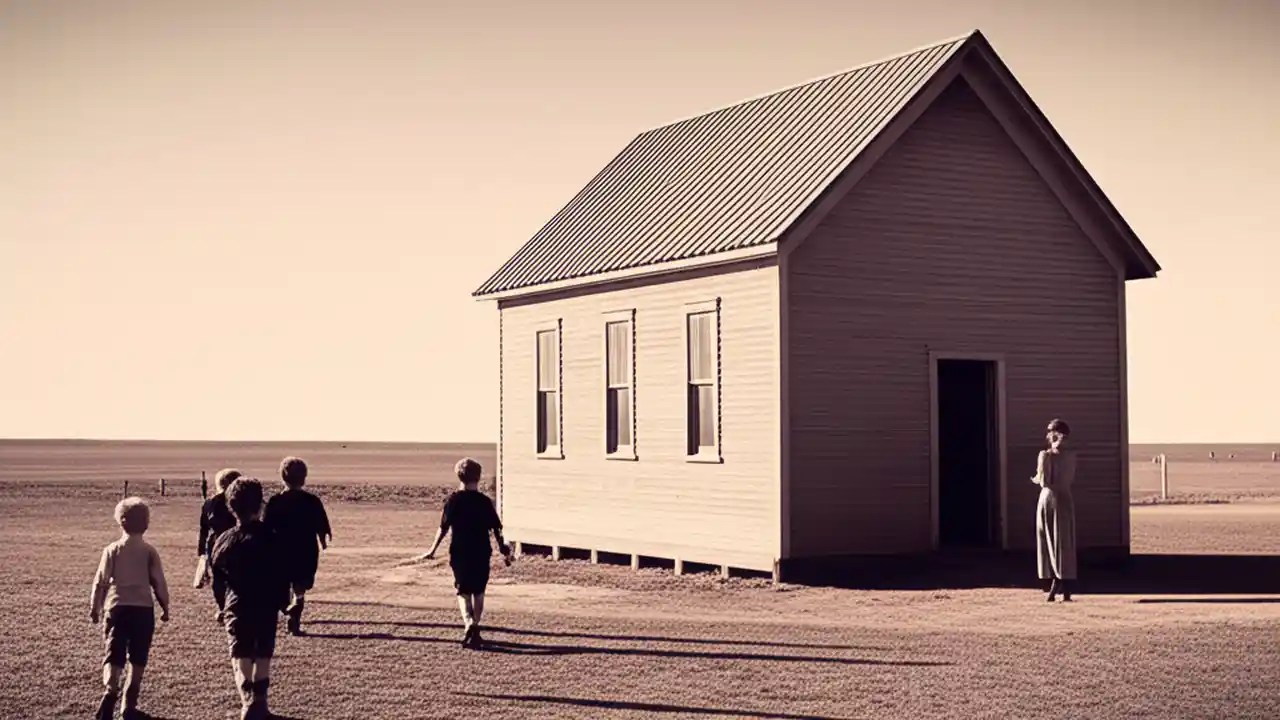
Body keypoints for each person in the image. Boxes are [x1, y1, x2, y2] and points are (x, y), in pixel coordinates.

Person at [211, 478, 291, 720]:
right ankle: (260, 702)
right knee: (264, 652)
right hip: (266, 605)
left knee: (240, 654)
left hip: (236, 604)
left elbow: (218, 578)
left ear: (231, 508)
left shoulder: (225, 540)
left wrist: (221, 606)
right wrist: (283, 601)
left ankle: (246, 702)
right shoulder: (273, 537)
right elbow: (282, 574)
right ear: (260, 505)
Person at [415, 457, 511, 648]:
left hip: (459, 551)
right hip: (481, 551)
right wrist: (504, 551)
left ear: (459, 476)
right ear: (479, 477)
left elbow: (443, 527)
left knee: (463, 590)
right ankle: (475, 625)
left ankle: (467, 623)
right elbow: (497, 529)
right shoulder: (485, 502)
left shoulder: (453, 500)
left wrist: (432, 550)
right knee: (479, 591)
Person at [90, 497, 171, 720]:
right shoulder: (149, 551)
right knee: (138, 658)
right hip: (143, 609)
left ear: (120, 522)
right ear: (146, 523)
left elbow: (101, 581)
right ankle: (128, 706)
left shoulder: (112, 550)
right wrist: (165, 606)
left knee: (113, 654)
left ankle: (110, 691)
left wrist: (95, 607)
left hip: (117, 608)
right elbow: (158, 582)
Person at [263, 456, 332, 636]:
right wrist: (323, 539)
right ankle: (295, 614)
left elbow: (266, 526)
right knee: (300, 586)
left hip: (280, 550)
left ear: (282, 477)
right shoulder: (311, 500)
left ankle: (287, 609)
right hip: (305, 549)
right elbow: (321, 524)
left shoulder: (275, 501)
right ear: (304, 477)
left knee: (281, 584)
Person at [1031, 418, 1078, 602]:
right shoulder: (1072, 455)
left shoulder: (1046, 455)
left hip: (1049, 498)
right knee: (1064, 541)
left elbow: (1043, 481)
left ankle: (1055, 581)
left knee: (1049, 540)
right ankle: (1065, 584)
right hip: (1066, 497)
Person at [197, 468, 242, 621]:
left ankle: (224, 608)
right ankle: (228, 608)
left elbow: (204, 528)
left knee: (219, 580)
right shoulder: (235, 502)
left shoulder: (210, 503)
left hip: (216, 544)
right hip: (233, 543)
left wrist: (202, 551)